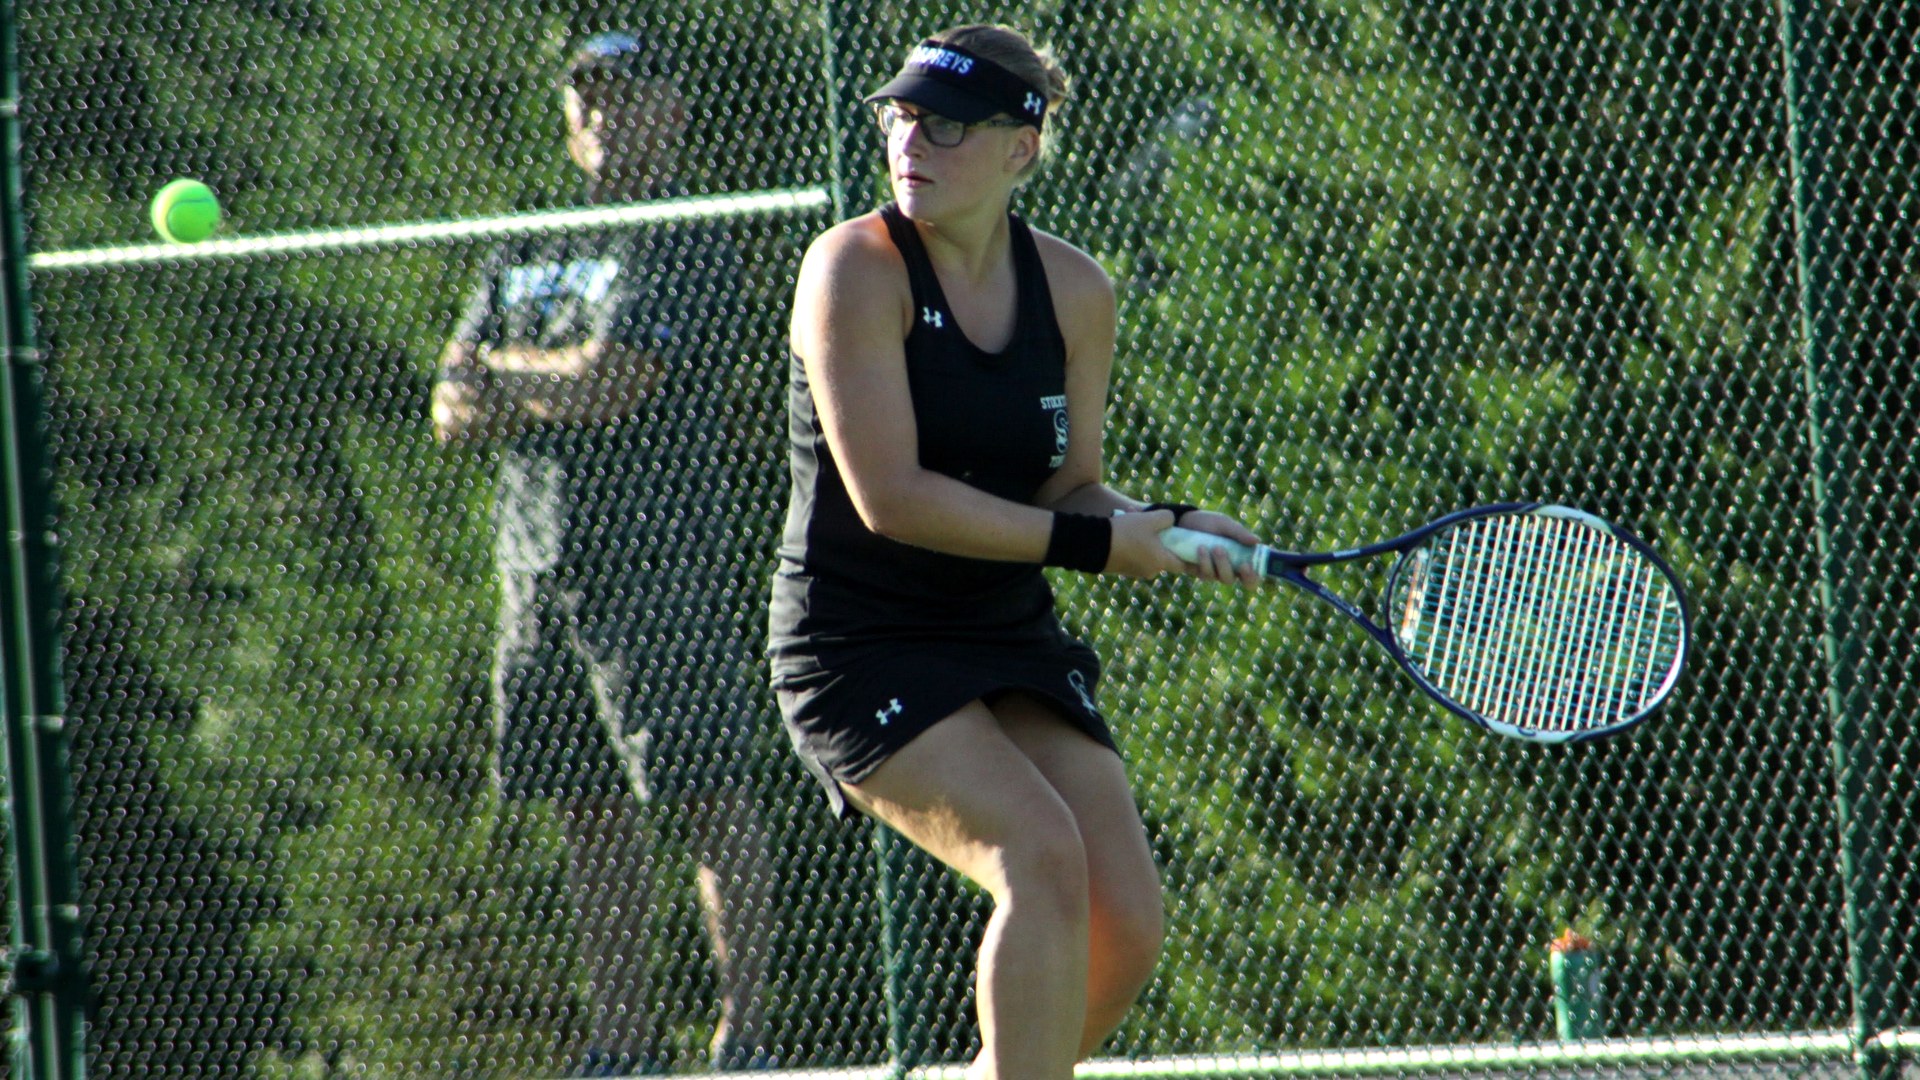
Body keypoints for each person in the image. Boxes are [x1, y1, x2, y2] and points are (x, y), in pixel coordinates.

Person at [768, 23, 1261, 1080]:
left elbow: (1066, 484)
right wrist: (1096, 545)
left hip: (1001, 634)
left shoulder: (1077, 292)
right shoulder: (852, 268)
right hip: (861, 646)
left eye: (946, 125)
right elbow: (892, 498)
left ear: (1020, 149)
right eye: (901, 116)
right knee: (1037, 858)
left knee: (1124, 919)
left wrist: (1167, 522)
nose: (912, 143)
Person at [432, 31, 773, 1076]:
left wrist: (504, 373)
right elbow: (449, 409)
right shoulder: (522, 244)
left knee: (706, 789)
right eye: (583, 95)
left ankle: (744, 1039)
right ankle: (624, 1047)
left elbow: (613, 384)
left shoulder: (684, 236)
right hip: (534, 569)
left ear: (671, 112)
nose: (597, 113)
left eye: (620, 95)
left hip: (656, 562)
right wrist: (536, 375)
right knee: (584, 807)